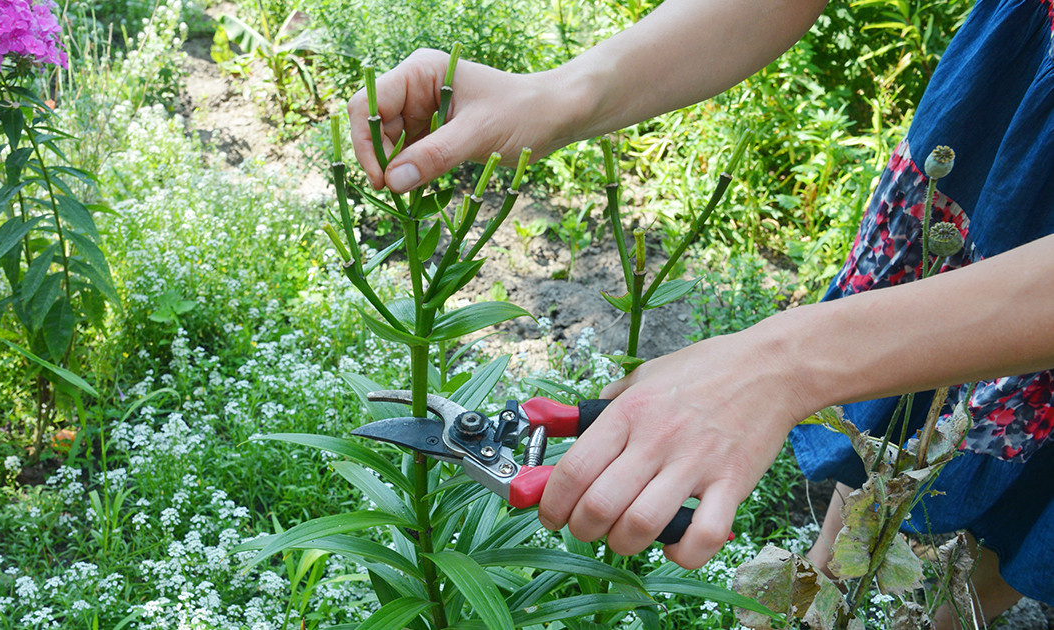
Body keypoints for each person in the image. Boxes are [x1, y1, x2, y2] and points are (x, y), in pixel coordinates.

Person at [347, 0, 1054, 626]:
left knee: (1015, 522)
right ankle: (818, 613)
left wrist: (779, 363)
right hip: (1005, 112)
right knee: (888, 461)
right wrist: (564, 92)